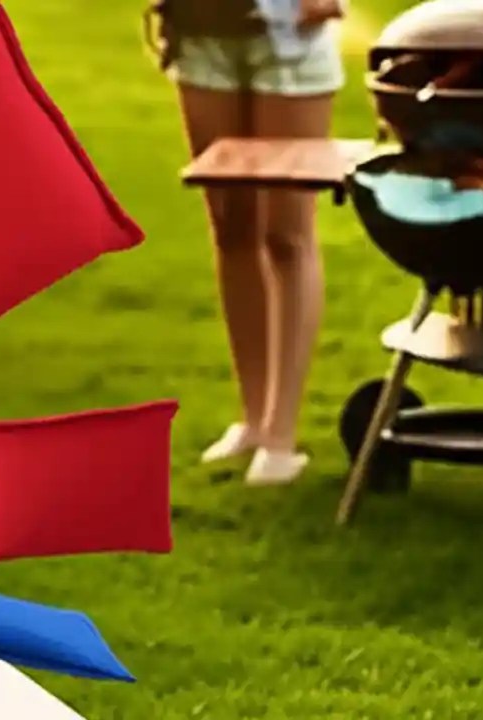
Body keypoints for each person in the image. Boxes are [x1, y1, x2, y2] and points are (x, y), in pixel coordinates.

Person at [157, 0, 345, 485]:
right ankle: (254, 421)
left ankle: (281, 438)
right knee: (232, 227)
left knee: (286, 233)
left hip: (289, 39)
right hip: (202, 36)